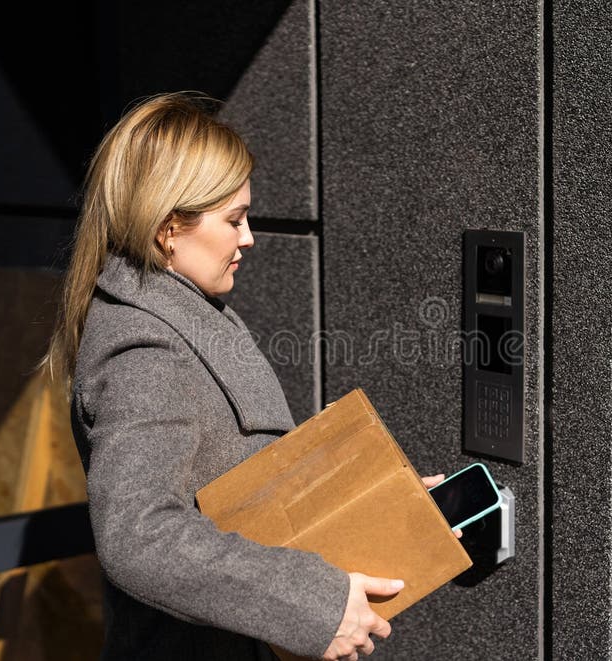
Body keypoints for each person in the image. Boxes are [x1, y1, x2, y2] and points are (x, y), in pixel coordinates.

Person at [44, 92, 444, 660]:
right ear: (168, 229)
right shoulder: (145, 347)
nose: (249, 237)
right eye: (233, 219)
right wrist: (312, 604)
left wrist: (377, 501)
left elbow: (241, 492)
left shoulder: (184, 316)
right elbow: (140, 536)